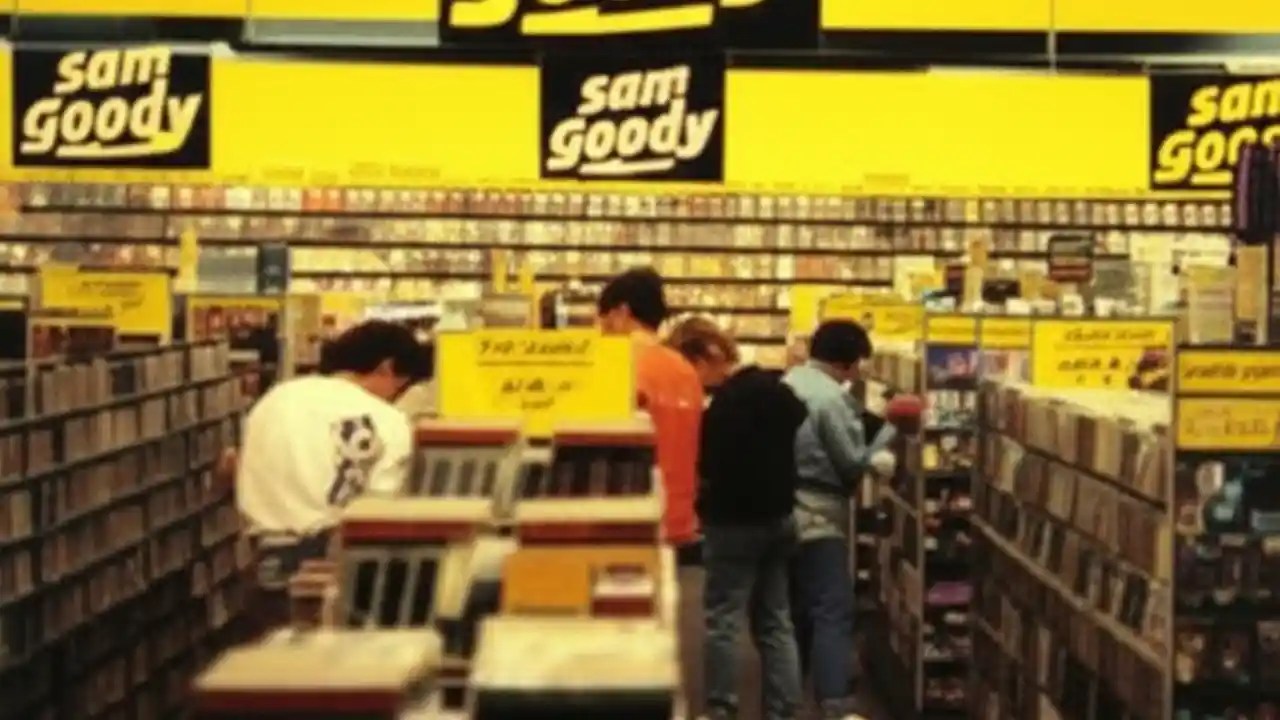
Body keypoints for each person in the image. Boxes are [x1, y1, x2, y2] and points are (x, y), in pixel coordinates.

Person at [236, 319, 431, 636]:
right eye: (402, 386)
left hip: (264, 558)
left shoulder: (274, 400)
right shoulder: (388, 421)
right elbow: (380, 508)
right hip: (337, 560)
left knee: (277, 656)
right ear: (386, 368)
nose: (398, 397)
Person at [668, 317, 807, 720]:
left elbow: (711, 465)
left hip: (732, 523)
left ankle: (722, 708)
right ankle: (784, 709)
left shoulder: (725, 406)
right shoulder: (779, 393)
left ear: (707, 357)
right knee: (775, 620)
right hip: (780, 517)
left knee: (723, 619)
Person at [597, 268, 706, 713]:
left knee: (614, 636)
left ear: (621, 312)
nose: (600, 329)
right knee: (659, 627)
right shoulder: (683, 368)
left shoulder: (617, 362)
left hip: (624, 515)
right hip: (676, 516)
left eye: (602, 319)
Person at [783, 320, 897, 720]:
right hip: (820, 515)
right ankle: (834, 702)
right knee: (833, 607)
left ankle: (787, 698)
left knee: (794, 608)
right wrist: (888, 433)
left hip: (782, 509)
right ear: (847, 362)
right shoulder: (831, 398)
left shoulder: (790, 381)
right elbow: (850, 463)